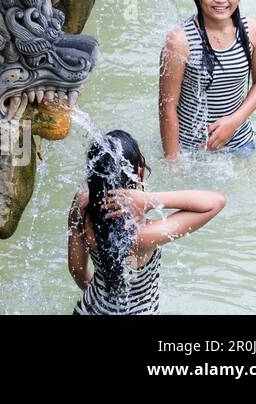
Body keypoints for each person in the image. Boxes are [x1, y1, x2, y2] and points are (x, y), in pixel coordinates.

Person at [68, 130, 225, 315]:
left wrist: (104, 297)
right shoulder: (141, 236)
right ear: (138, 171)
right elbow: (216, 202)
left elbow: (76, 271)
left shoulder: (81, 208)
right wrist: (149, 200)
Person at [159, 0, 256, 159]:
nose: (221, 0)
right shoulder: (179, 41)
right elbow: (167, 105)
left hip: (239, 143)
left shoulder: (252, 31)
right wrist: (172, 161)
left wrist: (234, 121)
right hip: (189, 149)